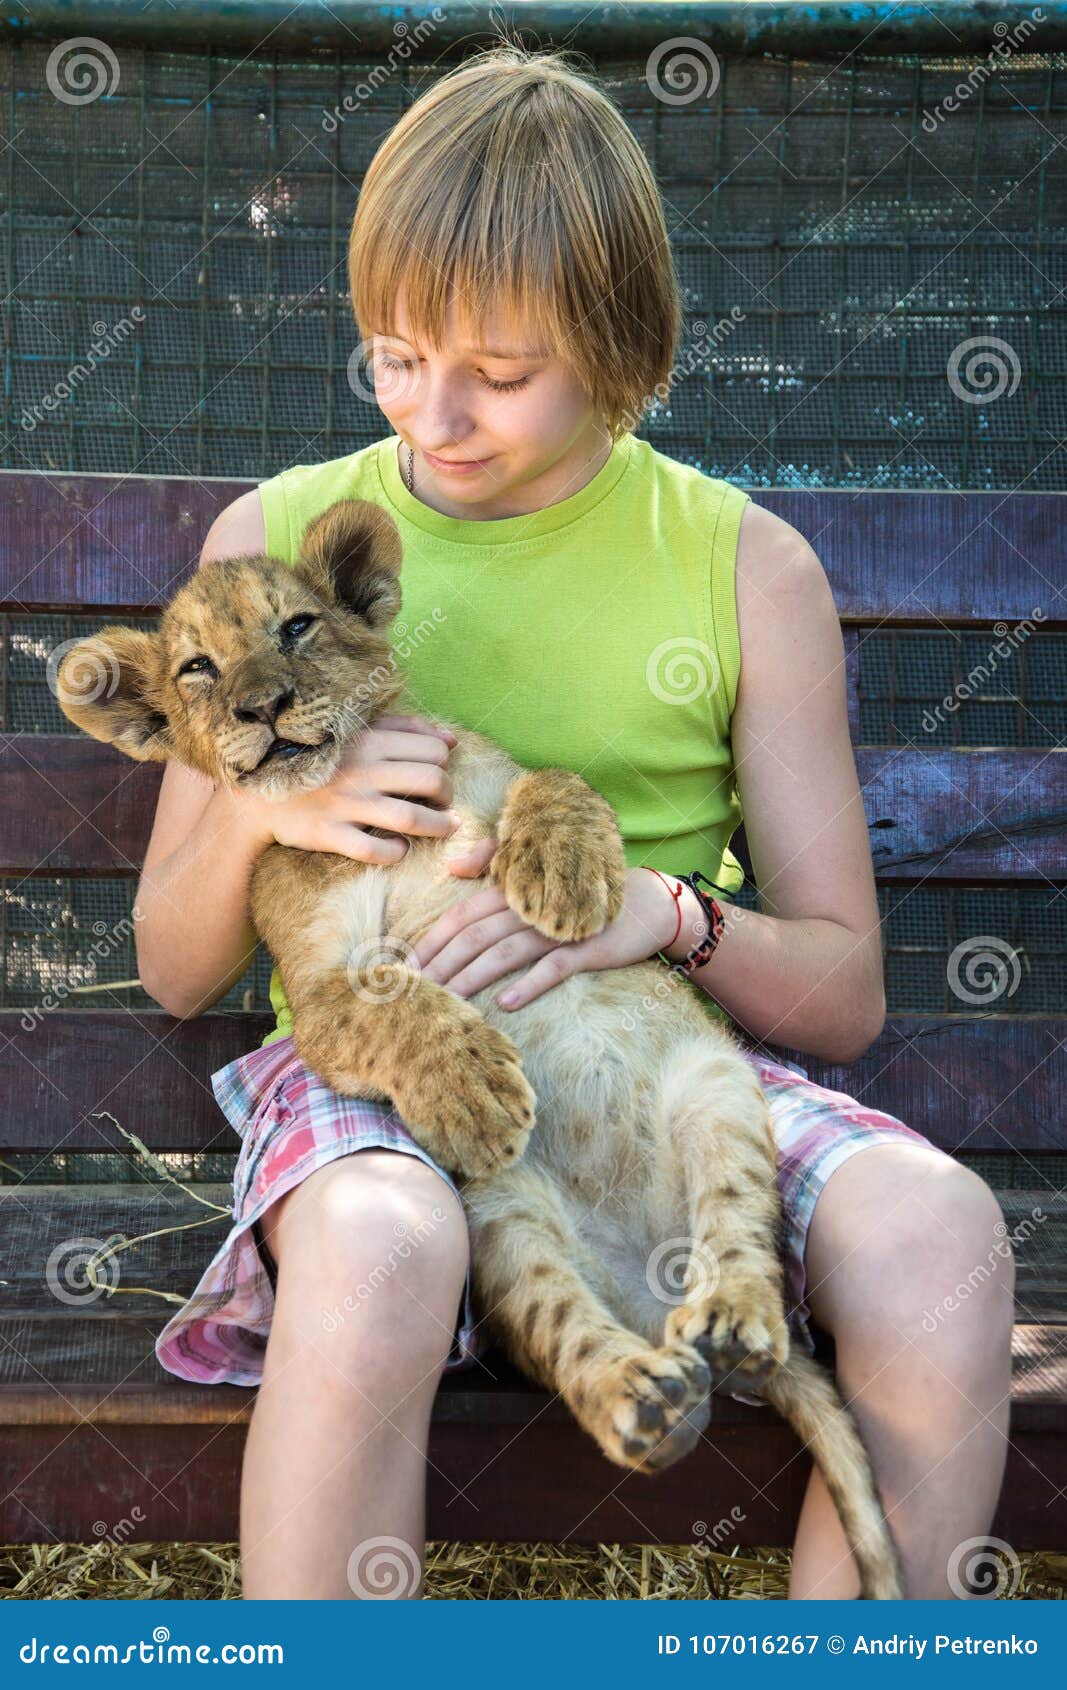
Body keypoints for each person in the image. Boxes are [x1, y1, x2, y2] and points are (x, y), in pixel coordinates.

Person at [138, 43, 1013, 1601]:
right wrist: (277, 798)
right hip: (381, 1071)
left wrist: (667, 914)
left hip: (638, 1055)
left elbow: (843, 992)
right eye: (395, 356)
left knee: (943, 1242)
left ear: (618, 347)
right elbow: (171, 962)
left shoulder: (743, 568)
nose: (435, 413)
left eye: (499, 369)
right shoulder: (271, 548)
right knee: (384, 1248)